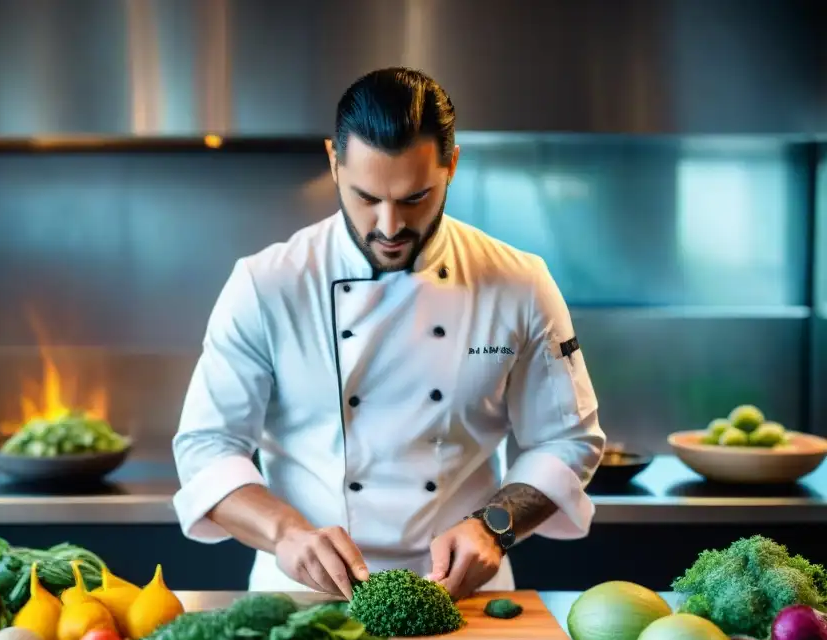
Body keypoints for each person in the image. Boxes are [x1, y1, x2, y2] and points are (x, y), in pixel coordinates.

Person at [171, 67, 606, 600]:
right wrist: (285, 533)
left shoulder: (518, 282)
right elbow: (206, 447)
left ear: (452, 166)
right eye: (366, 197)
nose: (390, 225)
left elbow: (568, 439)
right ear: (334, 162)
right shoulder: (267, 284)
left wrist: (495, 525)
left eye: (415, 197)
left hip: (463, 597)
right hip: (302, 598)